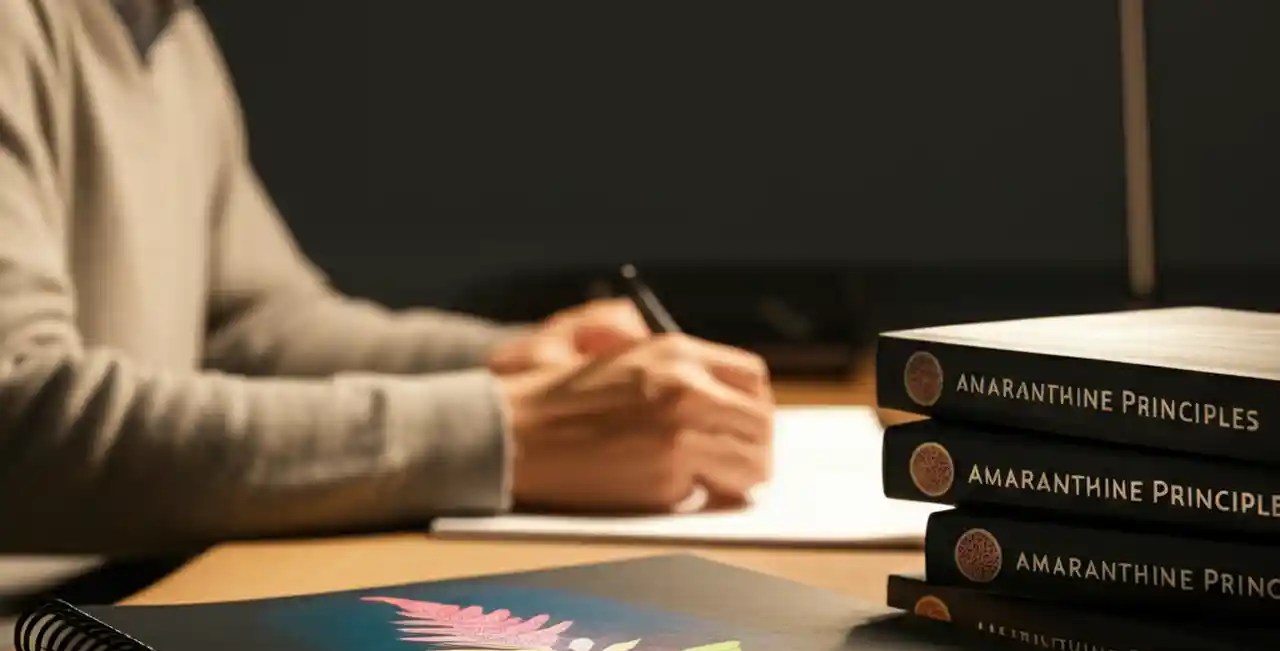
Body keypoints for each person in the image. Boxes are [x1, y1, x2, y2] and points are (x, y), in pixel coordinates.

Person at [0, 0, 774, 555]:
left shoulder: (168, 31)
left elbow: (254, 327)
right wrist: (505, 431)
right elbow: (19, 425)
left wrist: (523, 362)